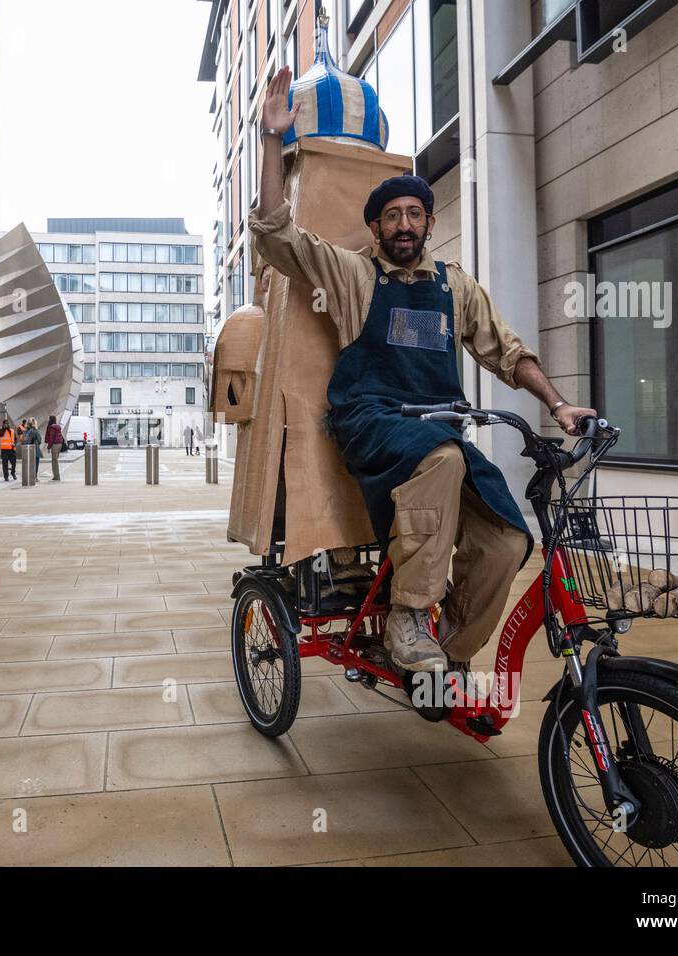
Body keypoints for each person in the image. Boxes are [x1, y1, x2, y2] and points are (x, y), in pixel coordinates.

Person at [252, 67, 596, 673]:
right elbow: (279, 237)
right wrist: (271, 144)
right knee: (445, 458)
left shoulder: (454, 286)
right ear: (377, 227)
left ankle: (444, 653)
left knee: (508, 537)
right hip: (371, 423)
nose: (404, 224)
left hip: (439, 432)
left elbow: (509, 352)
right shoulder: (356, 274)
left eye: (415, 214)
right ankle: (410, 616)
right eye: (392, 216)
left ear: (430, 224)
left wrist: (559, 405)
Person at [44, 415, 65, 480]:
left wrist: (49, 447)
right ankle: (56, 475)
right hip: (59, 444)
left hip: (55, 445)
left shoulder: (52, 428)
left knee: (54, 461)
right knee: (55, 460)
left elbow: (51, 438)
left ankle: (56, 476)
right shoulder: (57, 427)